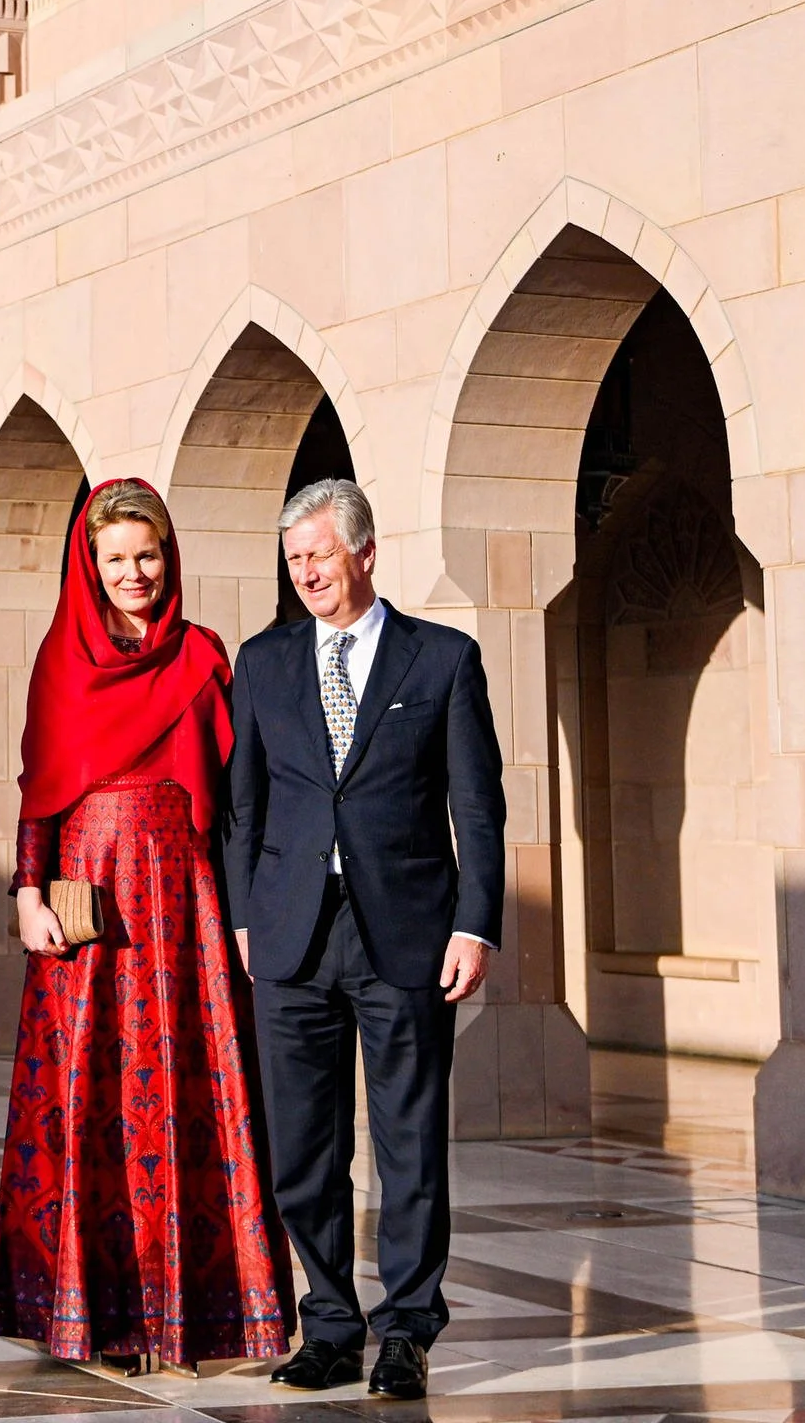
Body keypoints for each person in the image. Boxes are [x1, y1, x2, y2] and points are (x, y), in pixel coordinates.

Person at [0, 478, 293, 1374]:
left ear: (170, 558)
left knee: (194, 1086)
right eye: (116, 559)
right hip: (90, 892)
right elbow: (40, 783)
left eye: (147, 556)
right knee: (90, 1092)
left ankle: (201, 1311)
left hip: (185, 899)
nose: (135, 573)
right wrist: (28, 892)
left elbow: (235, 798)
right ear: (90, 566)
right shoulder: (63, 658)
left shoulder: (201, 654)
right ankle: (95, 1310)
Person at [226, 477, 506, 1402]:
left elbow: (478, 805)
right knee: (303, 1145)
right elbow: (244, 806)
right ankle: (331, 1324)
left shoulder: (442, 660)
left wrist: (474, 922)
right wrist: (241, 918)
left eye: (320, 554)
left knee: (409, 1141)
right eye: (294, 558)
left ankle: (408, 1331)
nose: (307, 572)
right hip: (292, 936)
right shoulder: (262, 662)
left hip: (409, 935)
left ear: (366, 554)